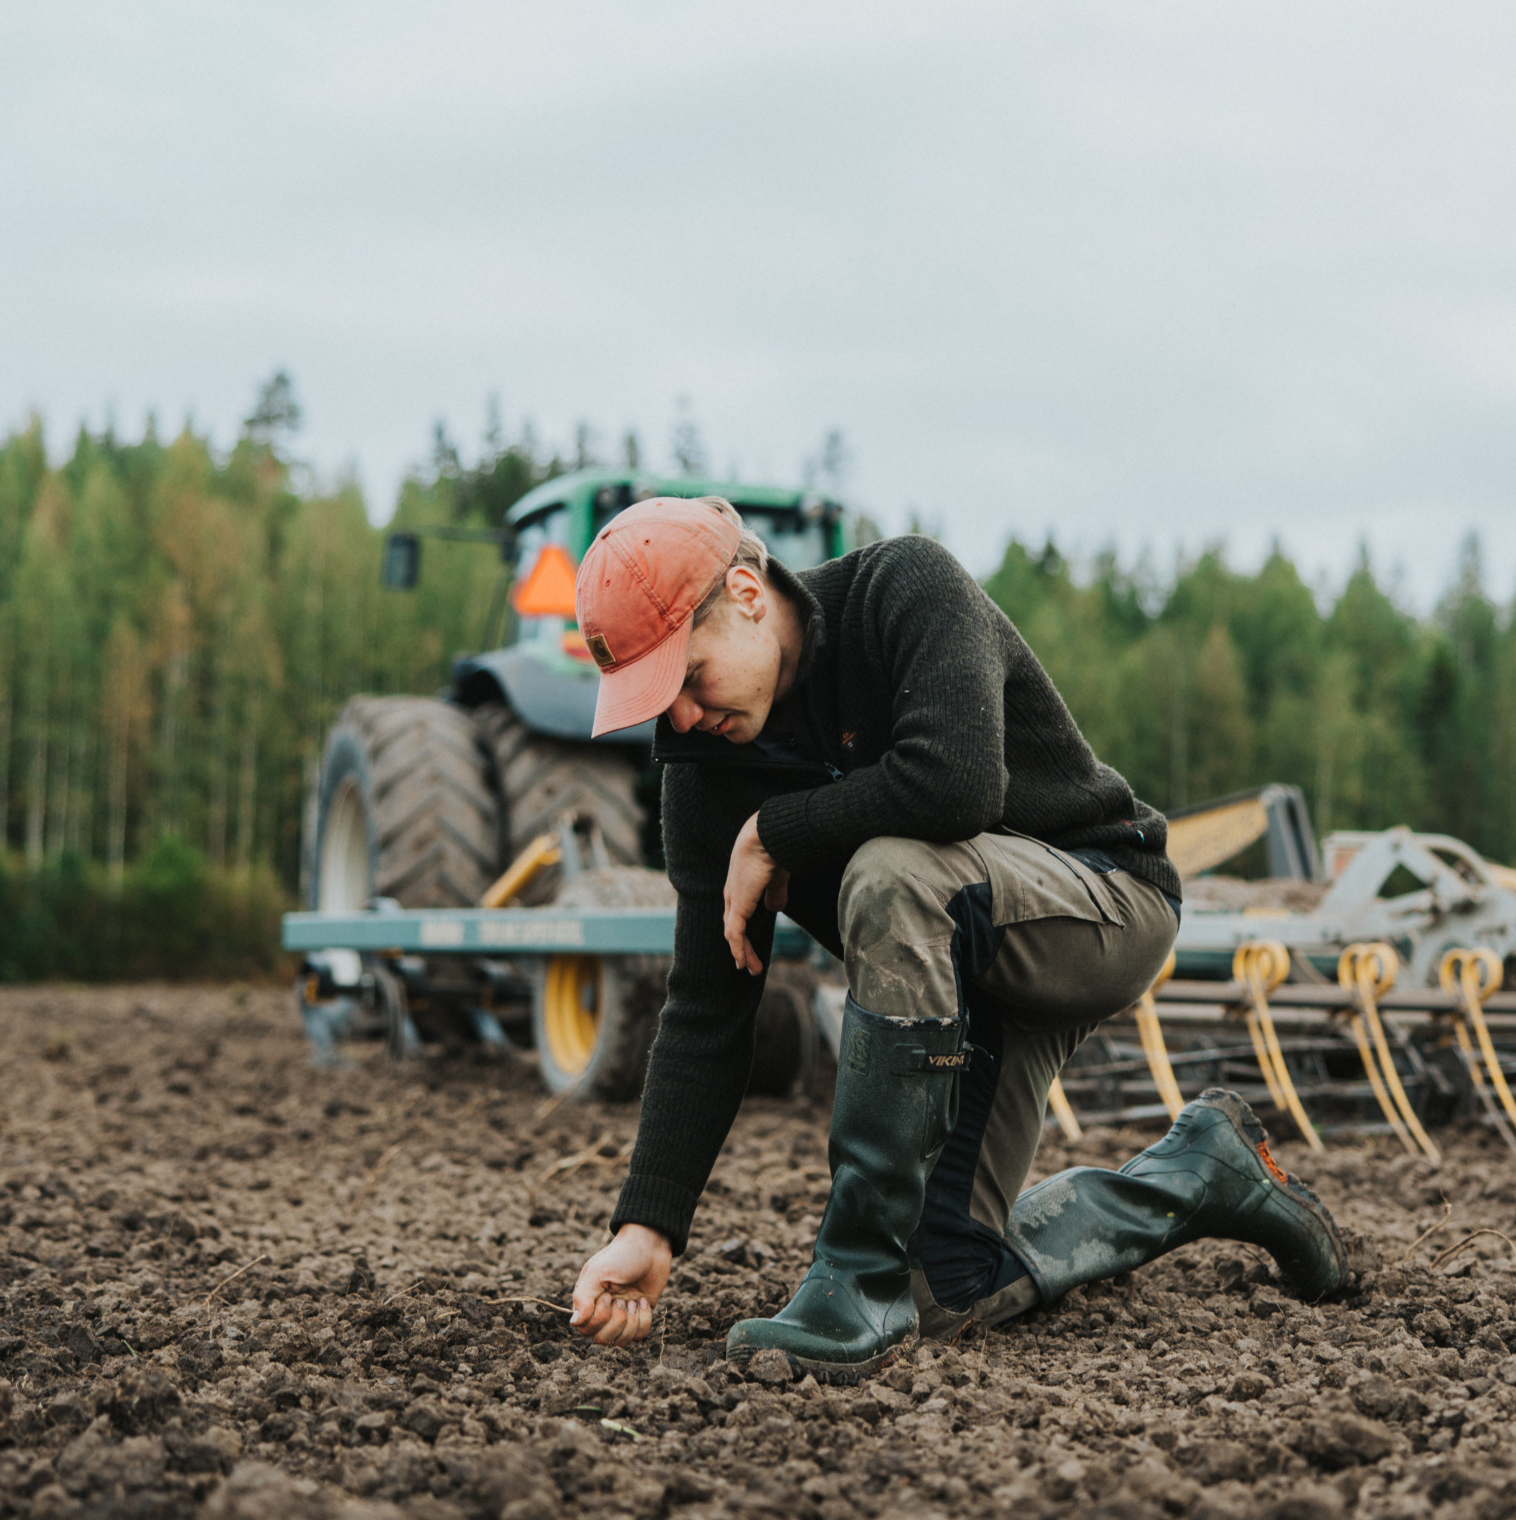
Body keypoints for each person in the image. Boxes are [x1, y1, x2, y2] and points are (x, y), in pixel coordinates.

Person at [567, 496, 1345, 1381]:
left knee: (894, 871)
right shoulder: (704, 774)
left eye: (689, 679)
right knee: (944, 1292)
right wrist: (649, 1227)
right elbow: (709, 1003)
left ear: (746, 593)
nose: (681, 722)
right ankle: (1203, 1173)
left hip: (1102, 902)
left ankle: (855, 1275)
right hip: (967, 996)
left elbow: (957, 784)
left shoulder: (904, 589)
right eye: (656, 703)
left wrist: (778, 829)